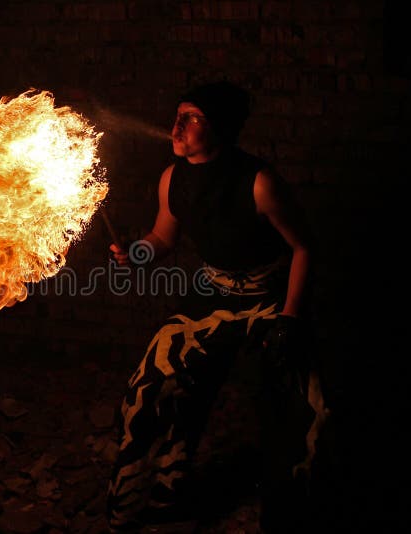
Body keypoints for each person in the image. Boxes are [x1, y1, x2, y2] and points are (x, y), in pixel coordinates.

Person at [105, 81, 315, 532]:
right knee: (151, 388)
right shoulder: (172, 178)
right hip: (212, 294)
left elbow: (304, 248)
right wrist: (134, 255)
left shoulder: (259, 183)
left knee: (288, 407)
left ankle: (286, 513)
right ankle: (161, 495)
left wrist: (290, 319)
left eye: (193, 118)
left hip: (268, 299)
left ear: (220, 128)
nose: (177, 126)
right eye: (178, 114)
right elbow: (163, 237)